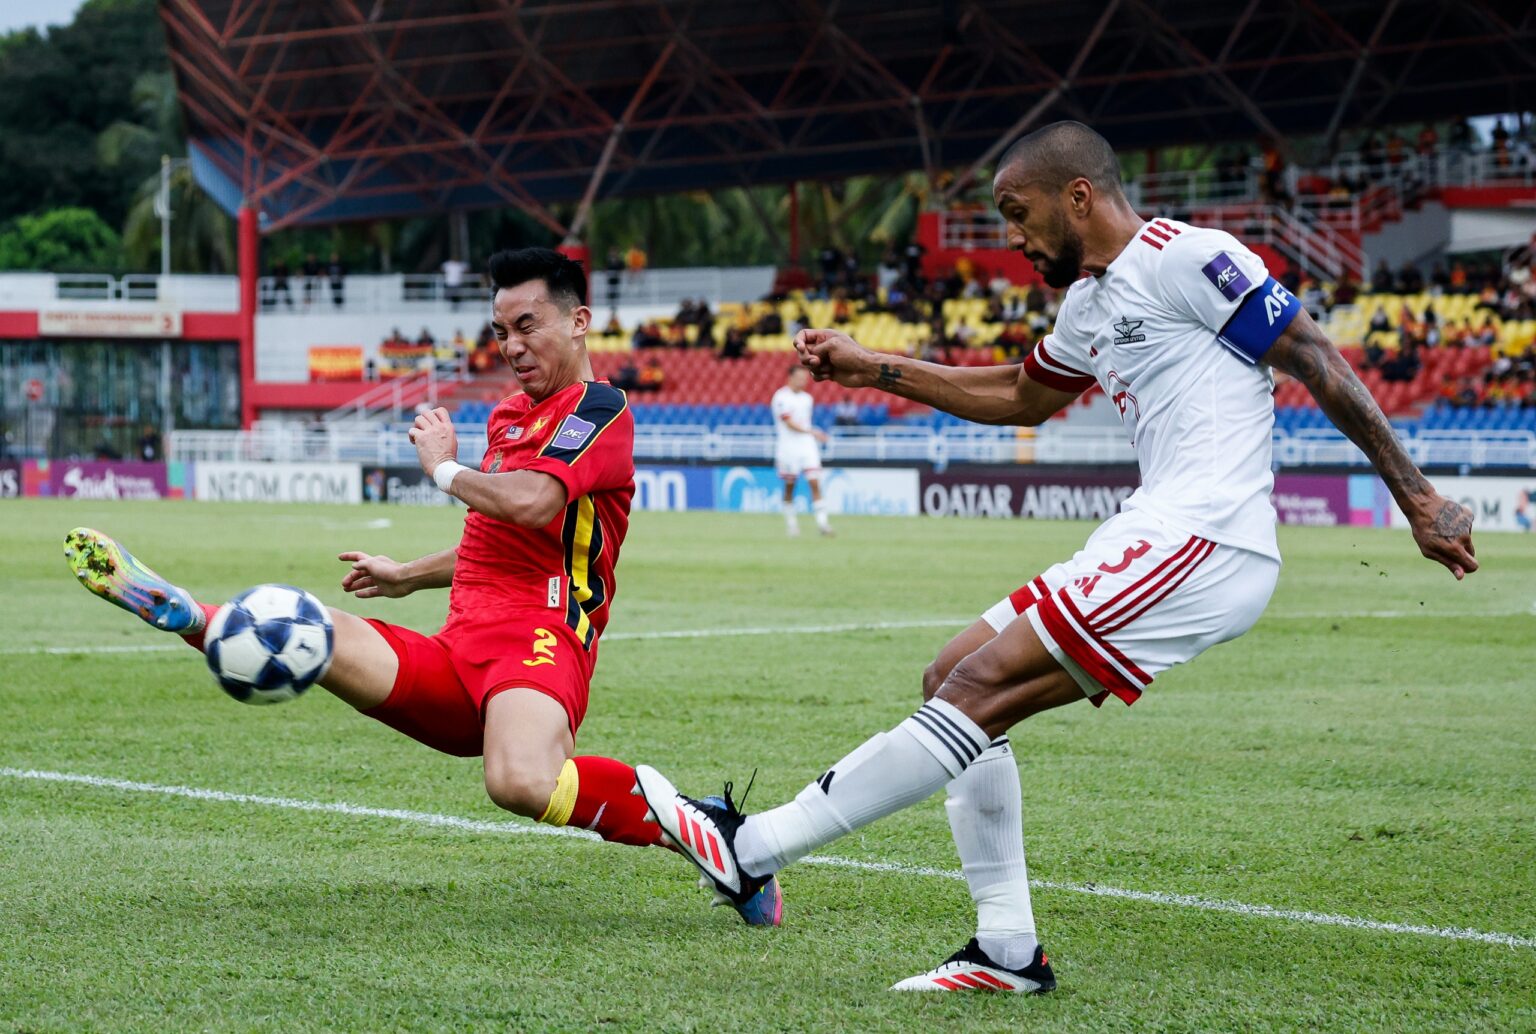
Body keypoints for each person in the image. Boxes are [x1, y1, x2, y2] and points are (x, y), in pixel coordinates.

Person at [631, 121, 1477, 992]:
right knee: (950, 675)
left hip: (1206, 537)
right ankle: (1006, 951)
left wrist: (1415, 496)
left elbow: (1312, 354)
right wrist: (870, 367)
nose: (1011, 237)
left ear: (1078, 196)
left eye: (1017, 213)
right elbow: (1020, 395)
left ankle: (751, 847)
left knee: (977, 687)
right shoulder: (1087, 304)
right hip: (1150, 528)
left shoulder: (1189, 257)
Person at [64, 247, 782, 927]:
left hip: (540, 641)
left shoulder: (600, 412)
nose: (511, 344)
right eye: (500, 330)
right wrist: (406, 575)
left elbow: (534, 504)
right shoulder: (507, 416)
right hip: (460, 645)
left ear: (578, 321)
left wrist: (442, 469)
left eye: (527, 325)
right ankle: (192, 615)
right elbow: (495, 537)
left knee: (521, 782)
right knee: (315, 631)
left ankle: (703, 829)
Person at [770, 365, 832, 537]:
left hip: (807, 446)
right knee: (790, 485)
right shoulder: (781, 397)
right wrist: (812, 432)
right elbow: (788, 422)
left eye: (805, 378)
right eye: (800, 378)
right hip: (788, 447)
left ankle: (823, 524)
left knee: (815, 482)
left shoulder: (807, 398)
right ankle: (792, 524)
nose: (803, 381)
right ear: (790, 377)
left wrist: (810, 434)